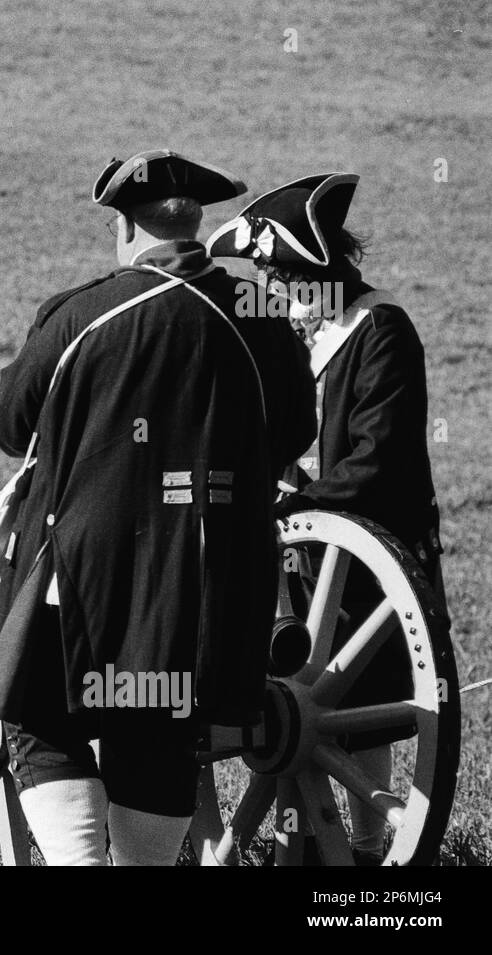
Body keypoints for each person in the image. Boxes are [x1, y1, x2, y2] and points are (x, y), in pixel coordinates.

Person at [0, 150, 316, 865]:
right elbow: (296, 434)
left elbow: (8, 425)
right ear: (197, 222)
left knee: (41, 718)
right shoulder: (263, 320)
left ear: (125, 229)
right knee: (161, 725)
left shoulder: (79, 314)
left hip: (83, 573)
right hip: (210, 580)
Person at [208, 173, 448, 864]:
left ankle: (369, 847)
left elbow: (381, 458)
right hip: (299, 552)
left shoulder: (381, 330)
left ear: (312, 271)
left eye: (277, 276)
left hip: (367, 551)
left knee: (359, 701)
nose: (272, 290)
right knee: (297, 696)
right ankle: (305, 837)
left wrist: (301, 503)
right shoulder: (298, 334)